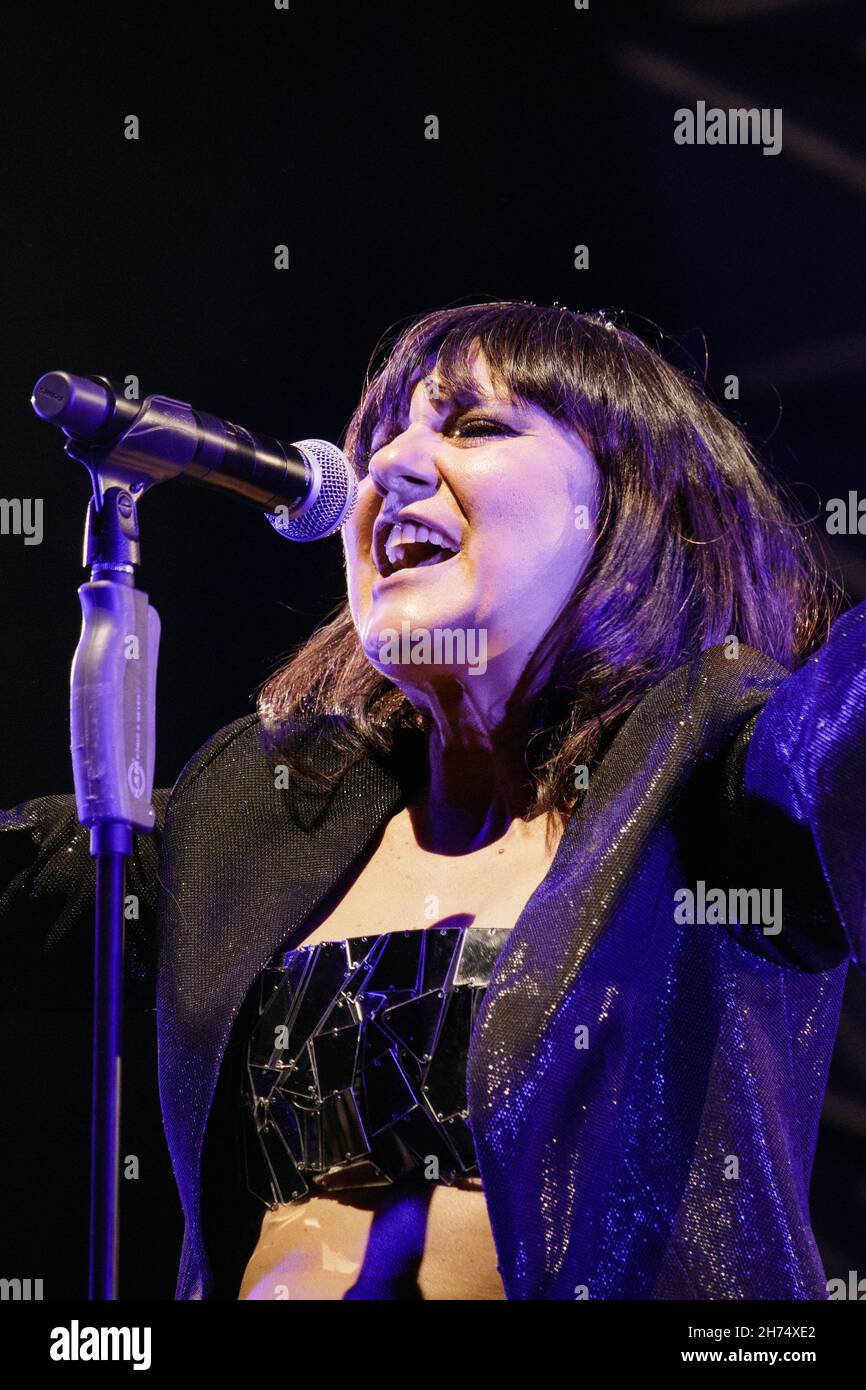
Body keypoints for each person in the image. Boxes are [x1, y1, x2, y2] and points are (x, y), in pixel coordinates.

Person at [2, 299, 864, 1300]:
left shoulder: (719, 771)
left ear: (631, 501)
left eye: (473, 425)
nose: (387, 470)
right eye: (379, 441)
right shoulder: (251, 812)